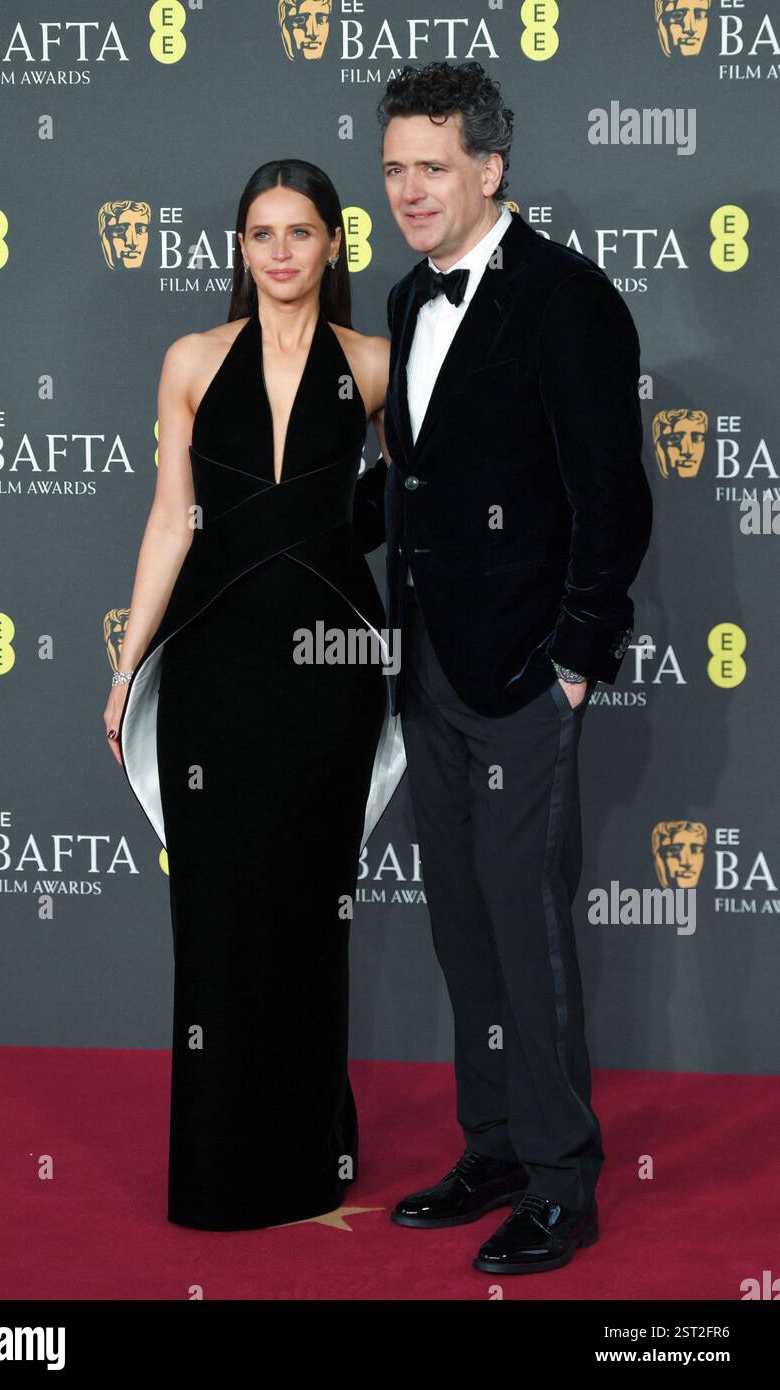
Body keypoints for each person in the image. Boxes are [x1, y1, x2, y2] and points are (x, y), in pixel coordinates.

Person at [358, 62, 653, 1274]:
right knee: (462, 924)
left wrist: (573, 662)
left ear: (490, 168)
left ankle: (559, 1176)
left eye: (431, 166)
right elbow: (419, 484)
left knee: (525, 926)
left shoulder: (566, 298)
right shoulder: (404, 295)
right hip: (429, 664)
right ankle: (488, 1143)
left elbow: (610, 499)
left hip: (525, 674)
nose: (408, 191)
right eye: (392, 168)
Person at [103, 159, 405, 1231]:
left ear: (333, 245)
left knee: (310, 914)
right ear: (240, 249)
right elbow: (169, 520)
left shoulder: (375, 365)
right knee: (220, 914)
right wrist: (128, 660)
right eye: (260, 234)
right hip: (215, 670)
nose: (279, 252)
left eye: (299, 232)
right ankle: (223, 1168)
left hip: (330, 670)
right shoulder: (190, 359)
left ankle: (312, 1152)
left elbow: (408, 514)